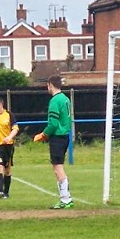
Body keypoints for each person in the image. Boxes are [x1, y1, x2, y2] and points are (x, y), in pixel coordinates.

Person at [33, 75, 73, 209]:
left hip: (57, 137)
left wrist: (43, 134)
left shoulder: (55, 101)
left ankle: (65, 199)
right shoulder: (66, 99)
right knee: (58, 166)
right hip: (65, 135)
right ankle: (66, 198)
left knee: (58, 167)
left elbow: (53, 123)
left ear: (50, 85)